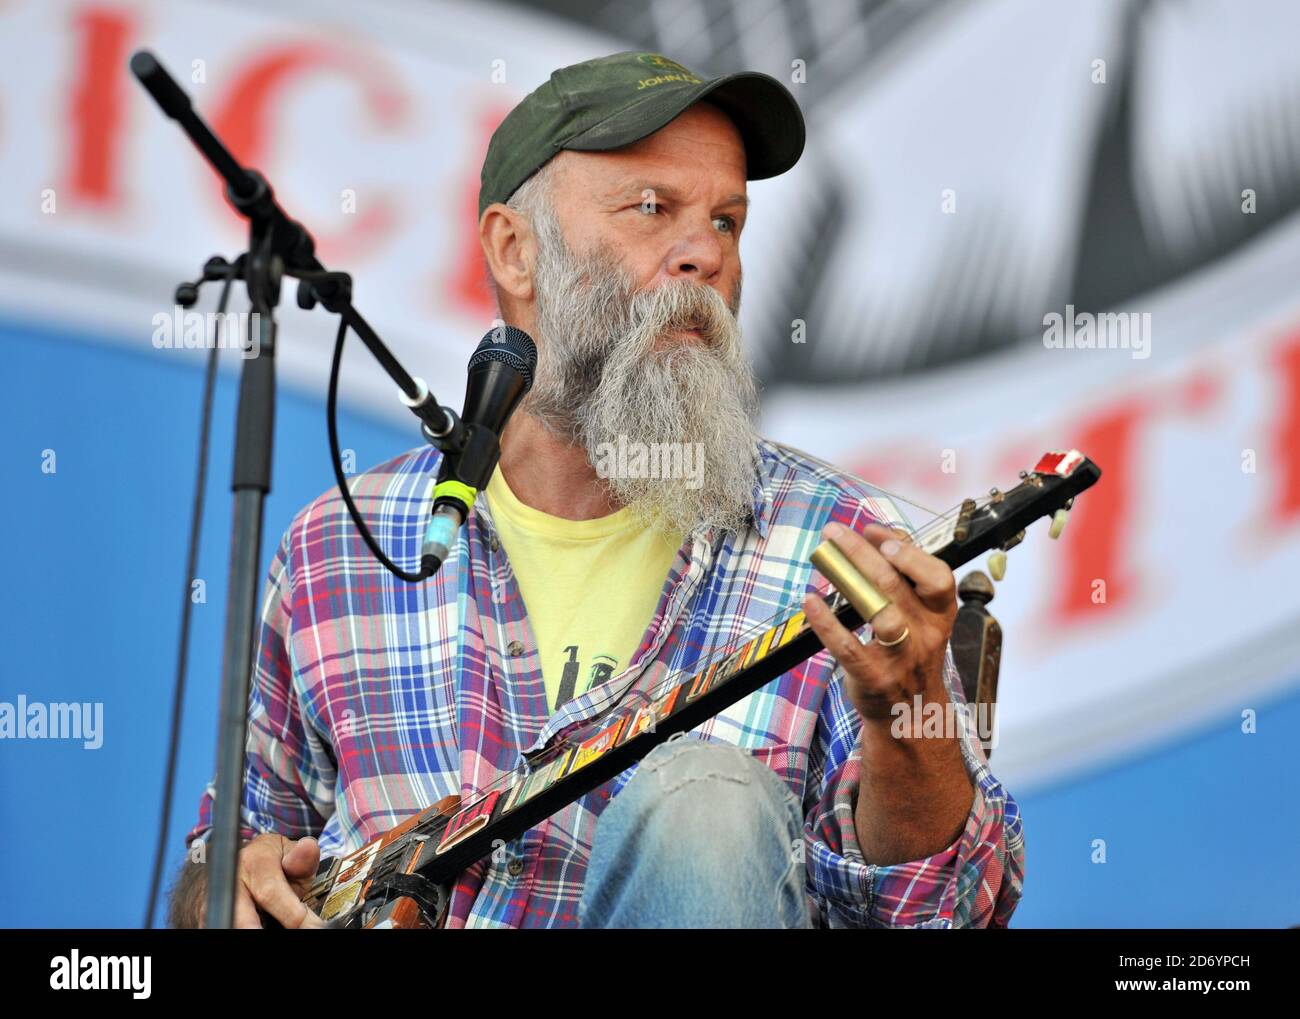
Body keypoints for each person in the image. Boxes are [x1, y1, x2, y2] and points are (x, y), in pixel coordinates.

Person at [169, 51, 1023, 929]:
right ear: (514, 249)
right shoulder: (340, 548)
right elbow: (225, 860)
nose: (706, 256)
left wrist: (903, 713)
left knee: (709, 803)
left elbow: (947, 914)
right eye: (653, 209)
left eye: (728, 222)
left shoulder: (835, 541)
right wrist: (233, 882)